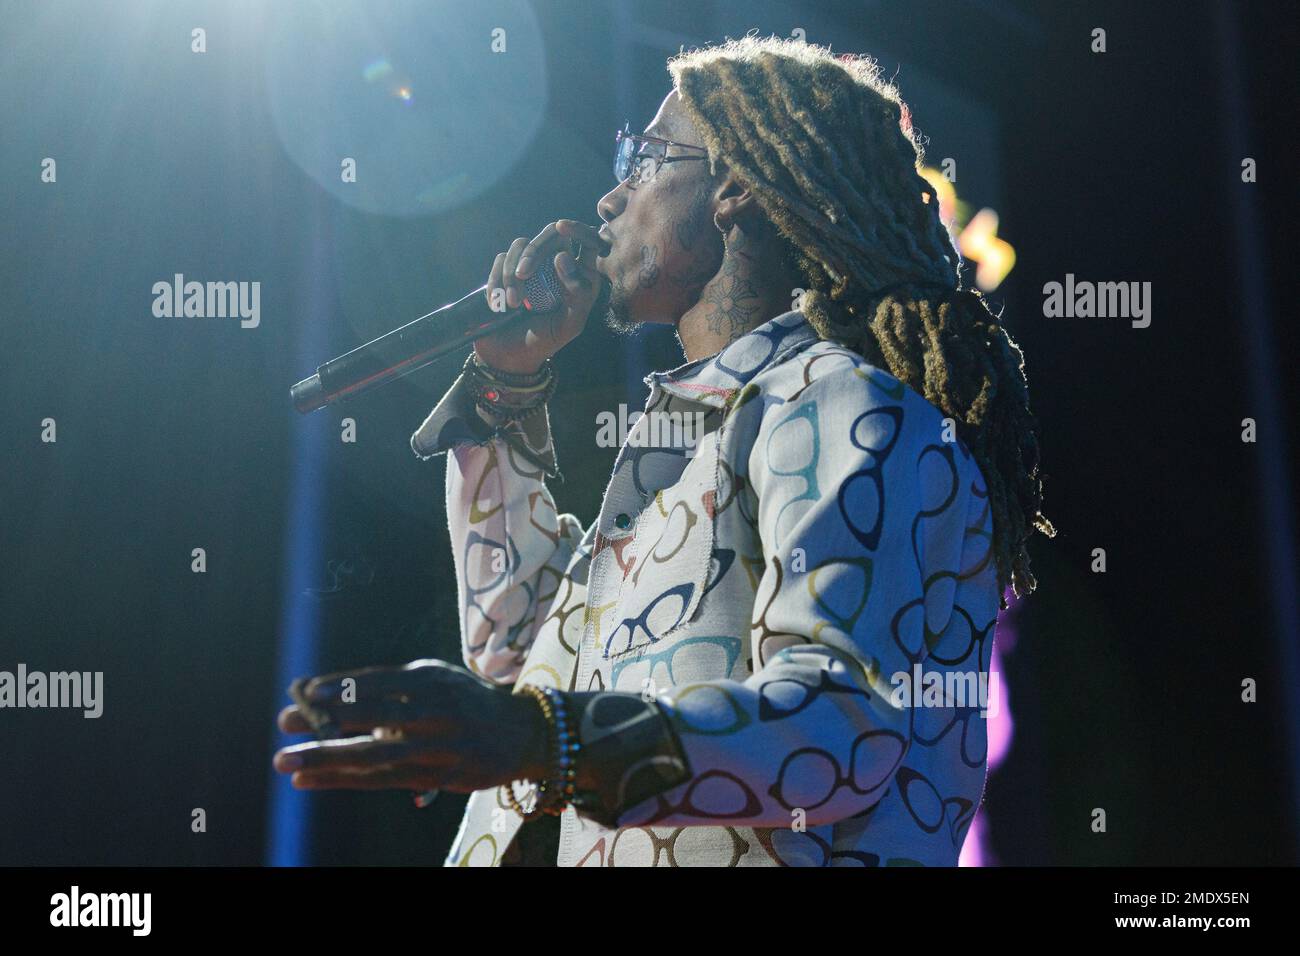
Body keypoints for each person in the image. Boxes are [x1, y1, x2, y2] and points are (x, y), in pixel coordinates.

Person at [274, 34, 1054, 867]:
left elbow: (841, 726)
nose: (608, 201)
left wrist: (545, 739)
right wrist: (506, 384)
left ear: (734, 189)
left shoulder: (846, 405)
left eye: (642, 159)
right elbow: (516, 656)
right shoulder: (693, 439)